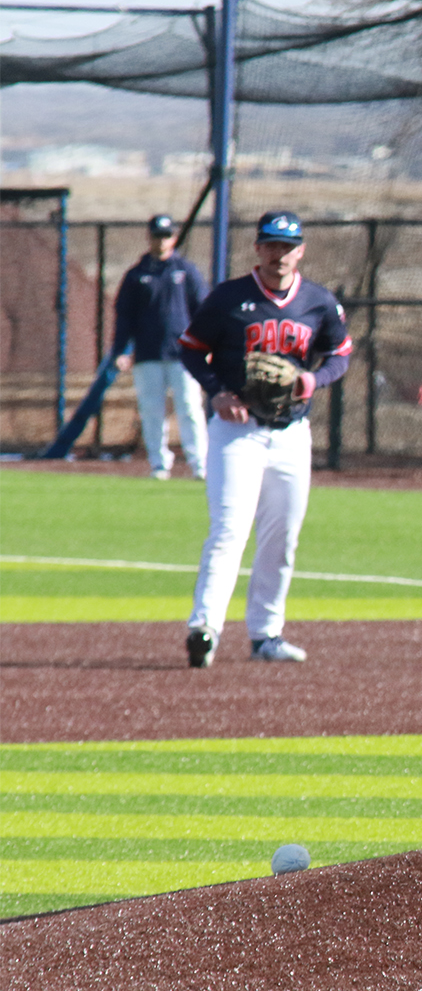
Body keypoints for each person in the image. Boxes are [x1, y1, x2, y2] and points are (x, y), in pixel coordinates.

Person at [178, 211, 353, 667]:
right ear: (258, 248)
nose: (280, 255)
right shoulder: (229, 298)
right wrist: (217, 392)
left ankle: (266, 635)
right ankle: (205, 629)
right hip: (237, 431)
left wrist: (315, 380)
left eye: (288, 246)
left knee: (283, 538)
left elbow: (340, 351)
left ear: (301, 251)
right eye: (272, 245)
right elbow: (192, 348)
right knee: (229, 529)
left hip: (292, 433)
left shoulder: (317, 301)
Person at [112, 214, 210, 479]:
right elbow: (125, 316)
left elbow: (202, 309)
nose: (162, 240)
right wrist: (121, 350)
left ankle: (199, 463)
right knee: (152, 409)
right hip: (148, 353)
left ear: (174, 238)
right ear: (149, 237)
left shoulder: (186, 270)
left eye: (166, 235)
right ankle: (158, 463)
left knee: (189, 407)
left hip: (184, 354)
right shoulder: (137, 274)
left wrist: (207, 345)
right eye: (157, 235)